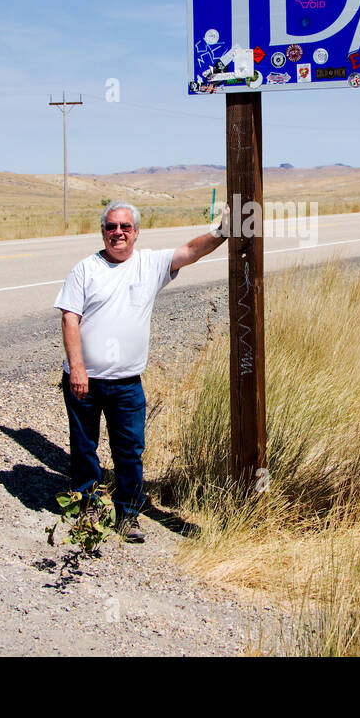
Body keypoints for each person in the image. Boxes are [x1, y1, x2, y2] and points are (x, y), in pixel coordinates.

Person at [53, 200, 229, 543]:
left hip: (127, 384)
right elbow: (69, 317)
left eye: (125, 227)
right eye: (111, 227)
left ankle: (128, 513)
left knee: (130, 450)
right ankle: (86, 506)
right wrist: (77, 369)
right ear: (103, 231)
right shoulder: (85, 270)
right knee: (85, 447)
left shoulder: (149, 264)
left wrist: (222, 232)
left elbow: (191, 251)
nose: (117, 233)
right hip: (84, 381)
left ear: (136, 233)